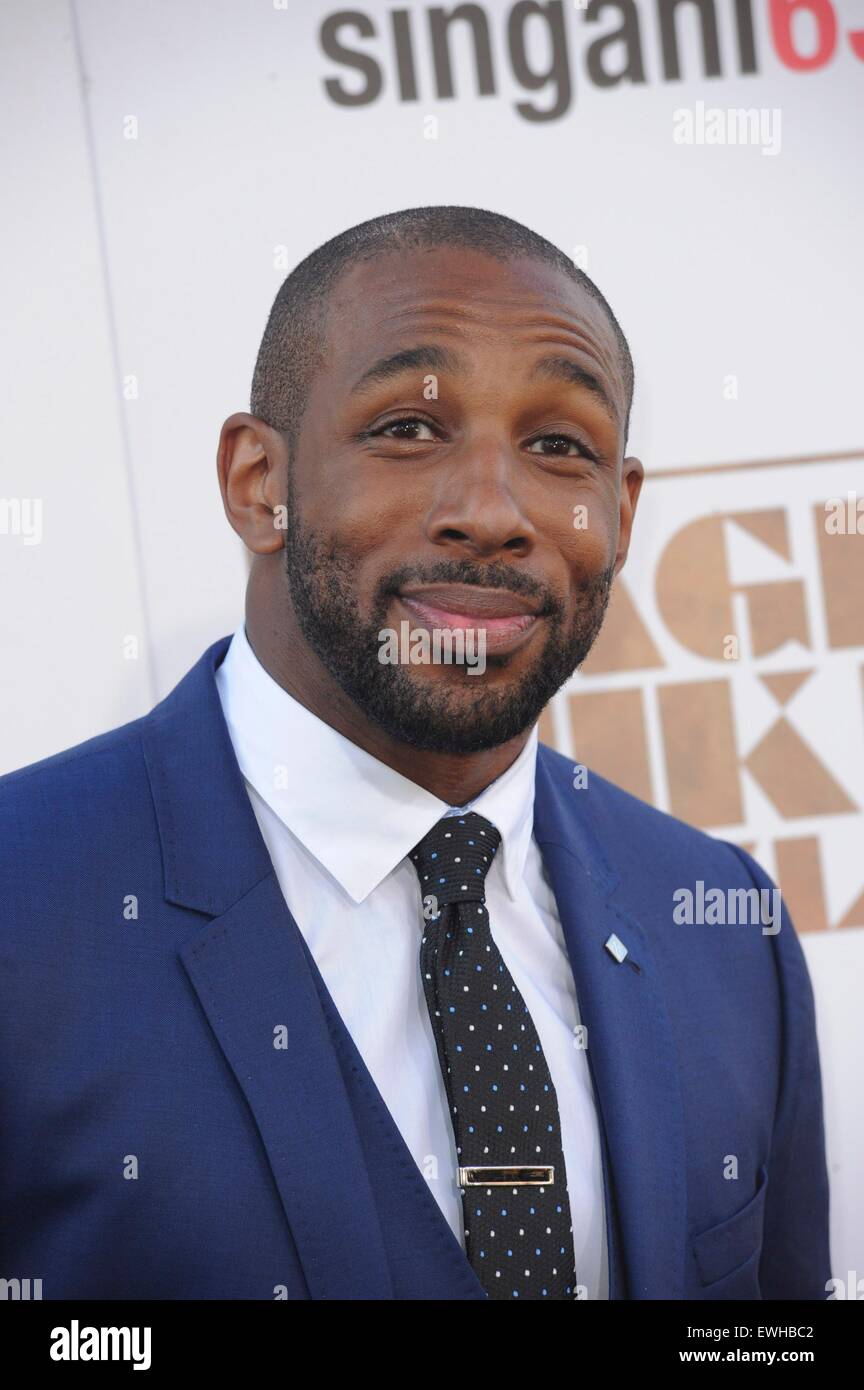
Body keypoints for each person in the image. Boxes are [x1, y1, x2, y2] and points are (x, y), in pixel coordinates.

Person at [0, 206, 830, 1300]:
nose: (490, 512)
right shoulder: (25, 901)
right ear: (260, 482)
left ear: (620, 514)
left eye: (557, 446)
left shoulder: (721, 926)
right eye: (408, 428)